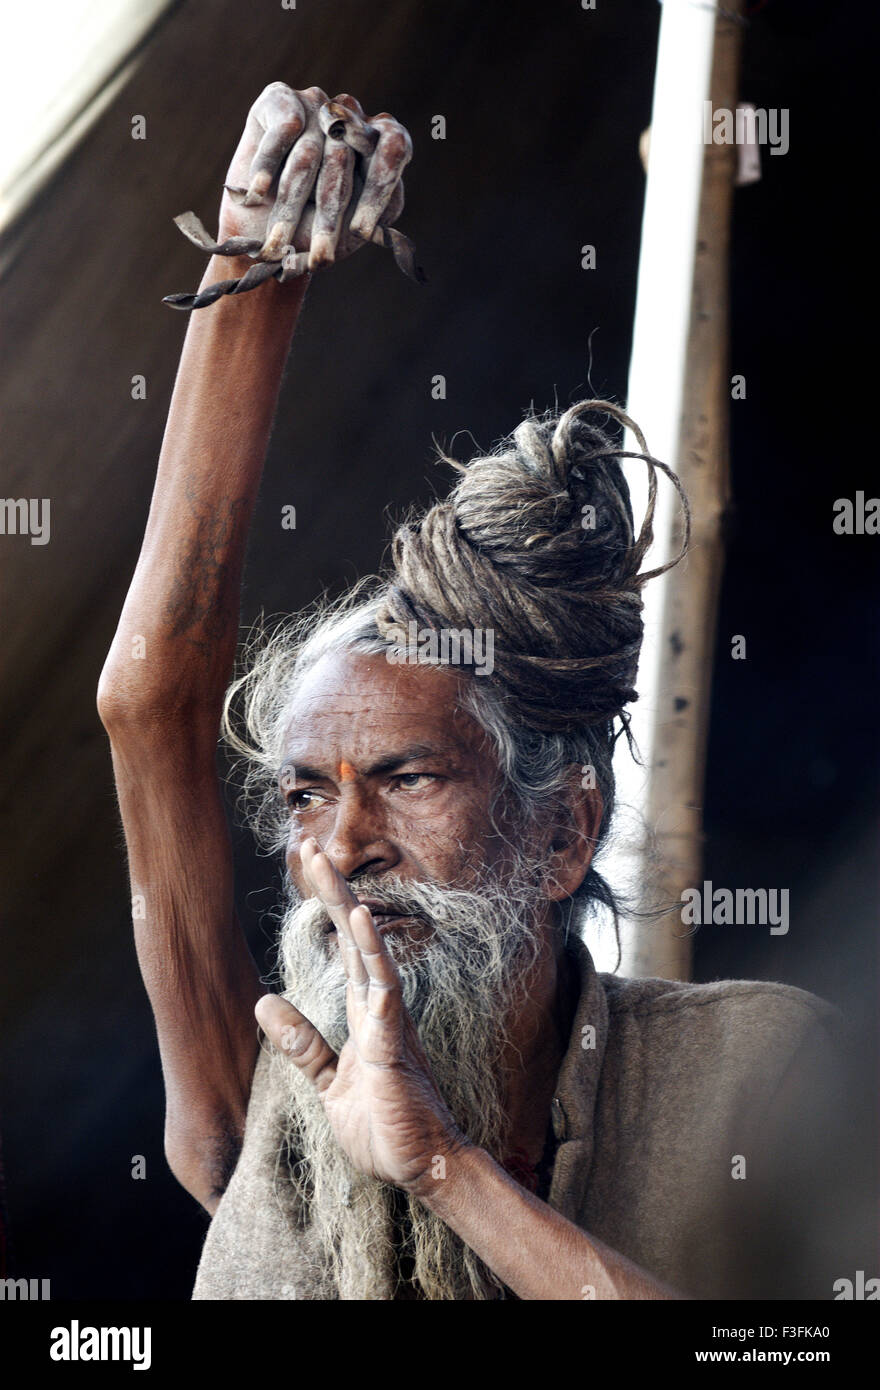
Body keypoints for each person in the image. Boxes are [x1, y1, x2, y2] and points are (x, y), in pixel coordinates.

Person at [98, 82, 841, 1301]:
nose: (344, 845)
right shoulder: (267, 1090)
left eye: (406, 778)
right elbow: (149, 708)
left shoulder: (752, 1070)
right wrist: (254, 257)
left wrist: (441, 1166)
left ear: (562, 830)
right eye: (301, 796)